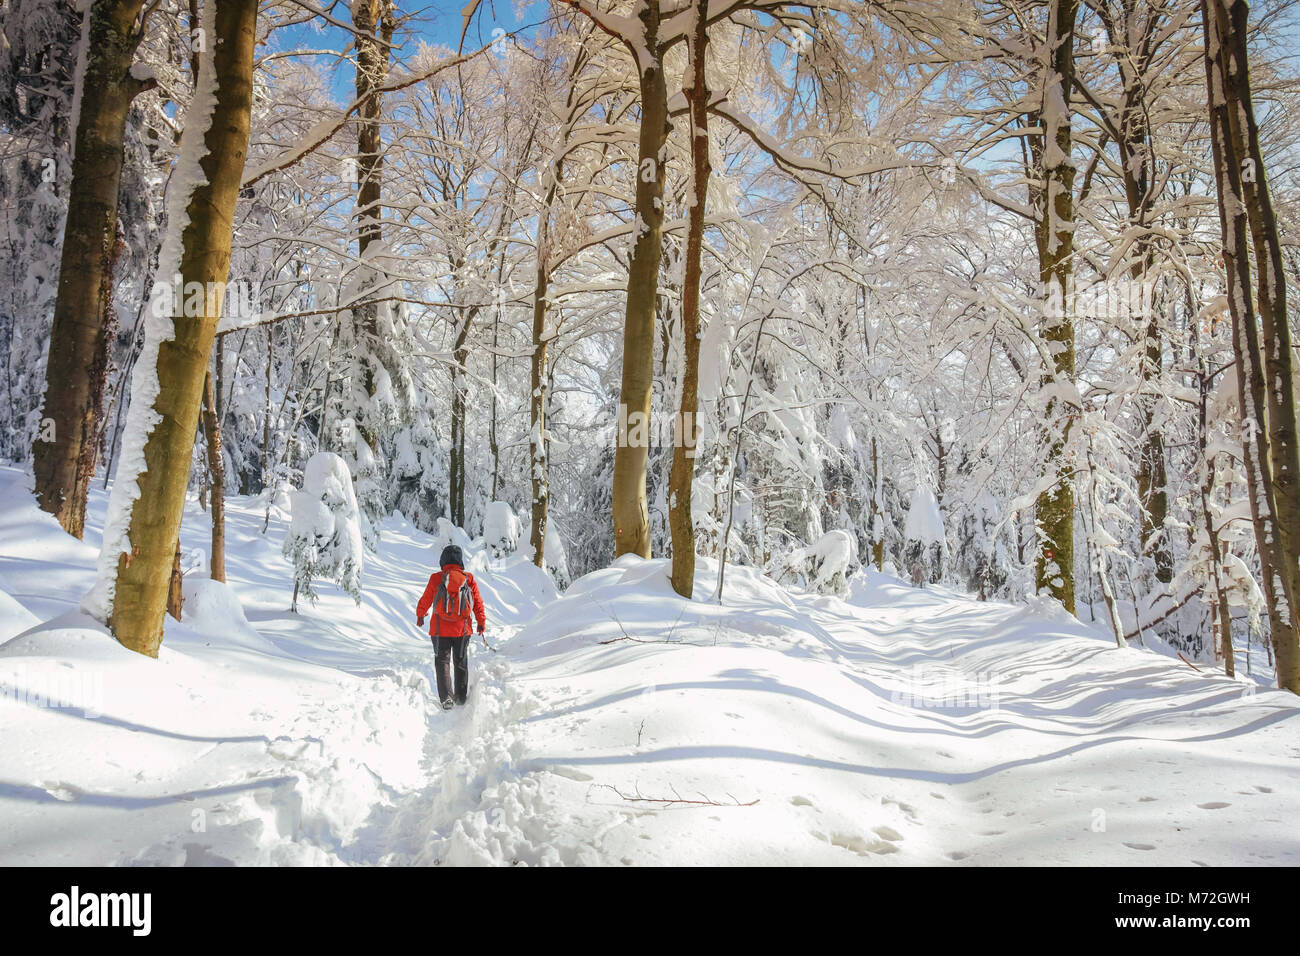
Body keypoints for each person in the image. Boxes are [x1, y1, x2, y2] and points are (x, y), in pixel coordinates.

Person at [416, 544, 486, 709]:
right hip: (462, 630)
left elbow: (426, 599)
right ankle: (461, 698)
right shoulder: (468, 579)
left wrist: (420, 614)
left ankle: (447, 698)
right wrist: (481, 622)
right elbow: (477, 603)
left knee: (442, 662)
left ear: (443, 560)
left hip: (440, 630)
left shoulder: (436, 578)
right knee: (460, 661)